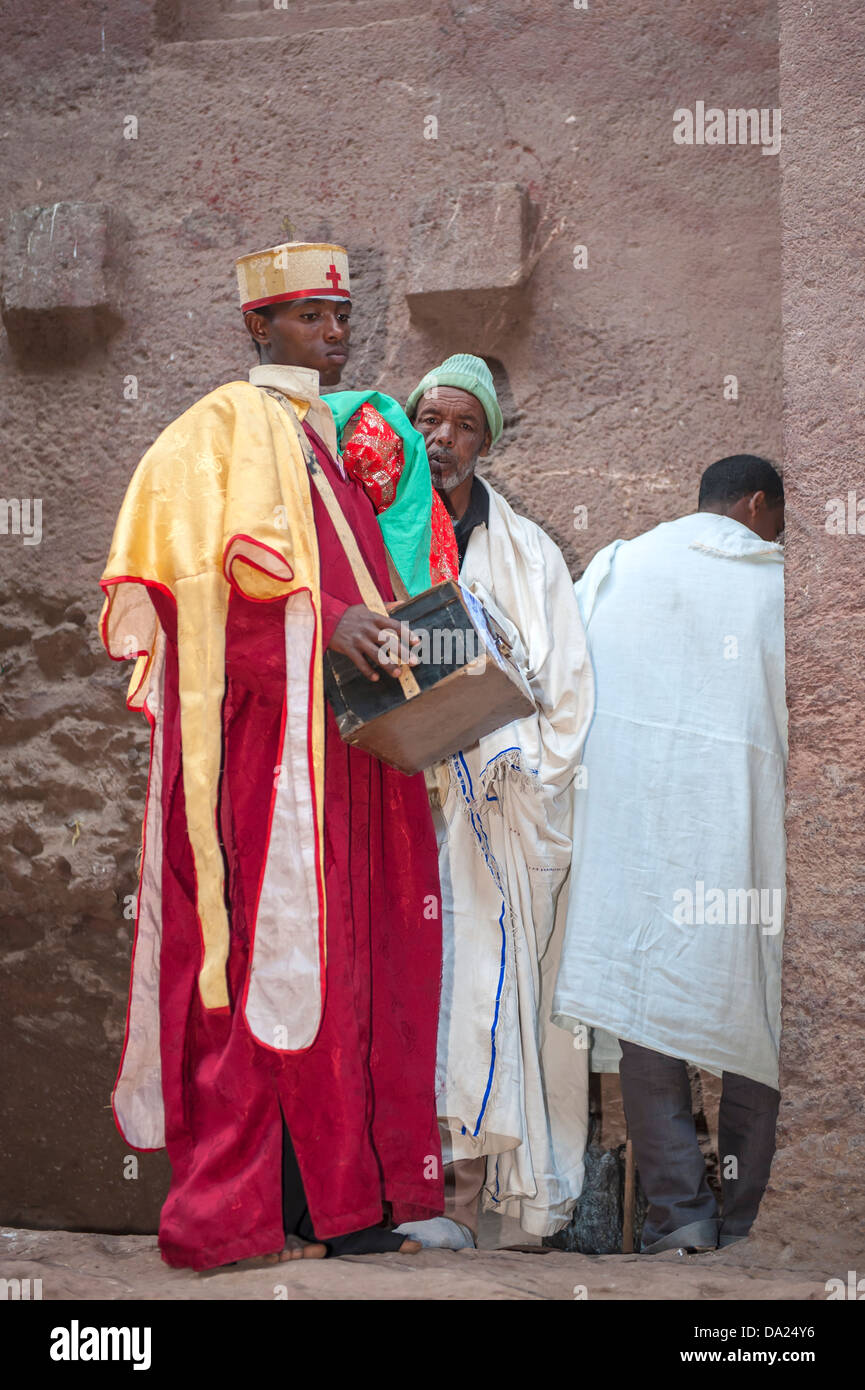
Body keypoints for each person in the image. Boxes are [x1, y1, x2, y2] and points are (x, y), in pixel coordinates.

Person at [99, 241, 444, 1270]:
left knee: (342, 964)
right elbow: (197, 585)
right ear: (256, 328)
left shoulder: (323, 440)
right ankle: (248, 1207)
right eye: (307, 318)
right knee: (263, 963)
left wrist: (396, 639)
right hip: (257, 757)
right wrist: (330, 620)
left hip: (339, 750)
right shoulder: (223, 428)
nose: (332, 335)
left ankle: (338, 1203)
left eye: (339, 317)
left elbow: (345, 590)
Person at [553, 455, 787, 1254]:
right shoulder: (779, 583)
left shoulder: (615, 568)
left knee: (643, 1008)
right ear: (757, 506)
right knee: (758, 1016)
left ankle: (678, 1218)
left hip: (631, 841)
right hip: (739, 834)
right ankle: (746, 1217)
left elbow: (562, 689)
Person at [393, 354, 595, 1247]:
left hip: (493, 822)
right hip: (399, 808)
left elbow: (569, 689)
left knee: (482, 985)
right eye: (428, 421)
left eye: (461, 425)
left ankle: (469, 1198)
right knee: (406, 990)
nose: (441, 439)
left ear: (486, 440)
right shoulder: (380, 533)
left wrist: (518, 769)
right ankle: (396, 1198)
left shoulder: (530, 552)